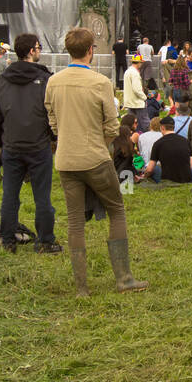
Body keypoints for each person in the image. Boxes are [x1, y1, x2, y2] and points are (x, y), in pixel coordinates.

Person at [45, 26, 147, 295]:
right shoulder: (100, 83)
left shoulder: (53, 82)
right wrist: (99, 144)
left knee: (75, 221)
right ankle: (123, 279)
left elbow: (52, 122)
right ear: (91, 50)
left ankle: (82, 288)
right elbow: (112, 127)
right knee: (116, 209)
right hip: (96, 158)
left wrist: (68, 138)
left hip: (66, 160)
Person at [0, 32, 60, 254]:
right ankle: (45, 241)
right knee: (42, 197)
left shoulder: (2, 81)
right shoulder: (45, 80)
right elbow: (52, 112)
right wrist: (51, 135)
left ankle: (8, 240)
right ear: (31, 51)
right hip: (38, 146)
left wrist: (3, 135)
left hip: (11, 145)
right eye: (38, 47)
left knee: (10, 195)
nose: (40, 50)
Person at [140, 115, 192, 185]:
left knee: (156, 168)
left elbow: (150, 169)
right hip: (186, 178)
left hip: (168, 179)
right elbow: (190, 165)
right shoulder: (186, 141)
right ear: (173, 127)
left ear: (162, 128)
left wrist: (144, 176)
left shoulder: (158, 143)